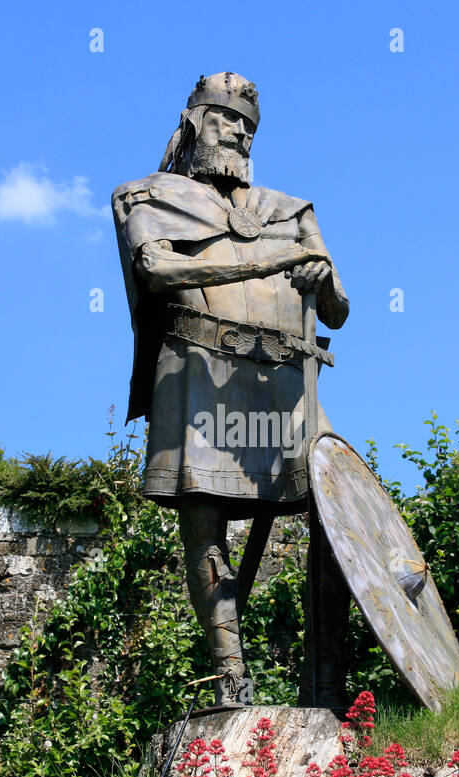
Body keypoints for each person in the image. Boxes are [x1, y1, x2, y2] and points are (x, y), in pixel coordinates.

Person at [112, 72, 352, 708]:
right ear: (193, 123)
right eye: (224, 119)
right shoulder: (147, 196)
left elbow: (336, 309)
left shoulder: (290, 210)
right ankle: (231, 681)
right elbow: (158, 269)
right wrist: (267, 262)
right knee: (204, 525)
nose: (239, 131)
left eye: (248, 124)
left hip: (285, 386)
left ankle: (327, 683)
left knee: (336, 521)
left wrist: (319, 276)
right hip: (196, 376)